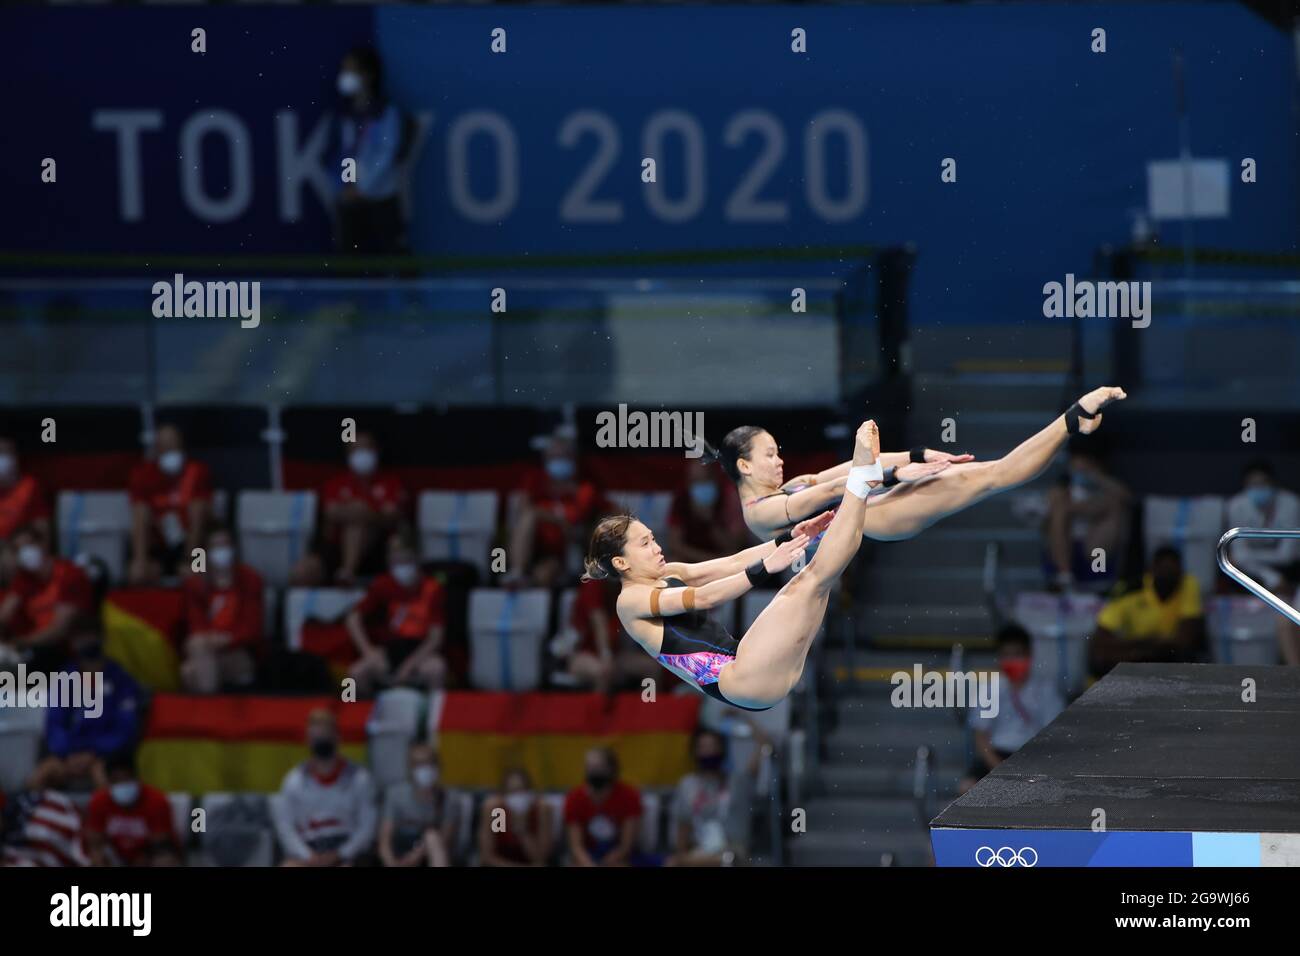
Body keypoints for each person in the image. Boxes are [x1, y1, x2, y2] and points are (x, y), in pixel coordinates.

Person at [584, 419, 895, 712]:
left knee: (821, 579)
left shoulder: (669, 573)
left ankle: (861, 487)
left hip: (758, 674)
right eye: (645, 544)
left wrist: (786, 539)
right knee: (809, 579)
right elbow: (705, 597)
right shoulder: (630, 601)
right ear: (621, 562)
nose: (657, 547)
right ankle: (860, 481)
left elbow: (729, 563)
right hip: (742, 678)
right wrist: (765, 568)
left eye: (653, 538)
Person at [725, 387, 1127, 547]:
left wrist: (918, 456)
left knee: (991, 474)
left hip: (876, 506)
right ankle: (1072, 420)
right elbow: (833, 490)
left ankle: (1072, 423)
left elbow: (847, 468)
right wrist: (896, 476)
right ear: (744, 465)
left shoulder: (788, 487)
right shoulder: (763, 514)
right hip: (880, 519)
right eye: (769, 455)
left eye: (778, 452)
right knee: (994, 476)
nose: (779, 461)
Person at [958, 624, 1066, 795]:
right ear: (999, 658)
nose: (1013, 660)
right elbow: (981, 739)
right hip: (996, 756)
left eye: (1018, 654)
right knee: (966, 789)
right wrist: (1000, 769)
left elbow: (1052, 736)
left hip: (1033, 757)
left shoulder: (1046, 690)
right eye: (1007, 655)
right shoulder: (990, 688)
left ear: (1029, 655)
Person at [293, 430, 409, 586]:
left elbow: (391, 516)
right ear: (348, 454)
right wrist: (359, 511)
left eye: (366, 448)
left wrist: (366, 514)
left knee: (357, 526)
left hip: (379, 551)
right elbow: (330, 512)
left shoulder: (391, 483)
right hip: (335, 549)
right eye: (356, 449)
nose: (362, 454)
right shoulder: (336, 483)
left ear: (377, 451)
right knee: (301, 572)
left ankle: (347, 573)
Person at [38, 626, 144, 792]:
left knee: (103, 777)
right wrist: (69, 754)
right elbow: (54, 724)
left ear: (102, 638)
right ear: (72, 642)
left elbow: (125, 728)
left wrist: (93, 752)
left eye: (90, 636)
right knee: (39, 778)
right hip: (68, 755)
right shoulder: (65, 678)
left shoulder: (122, 680)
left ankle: (105, 816)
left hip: (104, 756)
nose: (86, 642)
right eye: (80, 637)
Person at [345, 534, 448, 696]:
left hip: (419, 650)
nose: (401, 567)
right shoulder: (382, 584)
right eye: (396, 562)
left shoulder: (432, 588)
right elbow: (352, 619)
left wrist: (410, 665)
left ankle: (435, 719)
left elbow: (435, 638)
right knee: (354, 674)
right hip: (388, 650)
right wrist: (368, 652)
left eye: (406, 561)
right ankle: (357, 715)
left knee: (437, 670)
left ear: (417, 560)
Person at [333, 45, 409, 259]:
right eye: (344, 70)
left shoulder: (386, 112)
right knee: (348, 257)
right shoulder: (347, 114)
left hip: (382, 195)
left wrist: (364, 187)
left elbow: (388, 154)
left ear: (368, 75)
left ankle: (409, 294)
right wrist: (348, 185)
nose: (346, 77)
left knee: (396, 255)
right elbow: (347, 153)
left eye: (352, 71)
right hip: (351, 195)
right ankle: (350, 295)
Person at [275, 709, 377, 867]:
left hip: (347, 853)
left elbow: (367, 826)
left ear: (337, 738)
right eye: (316, 738)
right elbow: (285, 828)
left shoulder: (360, 778)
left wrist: (341, 854)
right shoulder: (293, 781)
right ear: (308, 741)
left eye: (326, 736)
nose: (321, 741)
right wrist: (309, 856)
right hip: (308, 852)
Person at [1089, 546, 1206, 677]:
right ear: (1152, 570)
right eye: (1163, 569)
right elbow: (1101, 641)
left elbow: (1185, 640)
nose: (1168, 575)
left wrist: (1146, 647)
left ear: (1180, 572)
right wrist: (1146, 646)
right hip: (1135, 658)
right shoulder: (1129, 590)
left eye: (1172, 571)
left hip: (1166, 659)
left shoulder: (1188, 584)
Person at [508, 430, 603, 587]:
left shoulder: (585, 490)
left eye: (563, 457)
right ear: (546, 460)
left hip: (567, 550)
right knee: (527, 518)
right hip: (535, 546)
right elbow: (524, 510)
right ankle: (517, 572)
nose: (558, 461)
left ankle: (530, 583)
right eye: (554, 457)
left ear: (573, 459)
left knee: (544, 575)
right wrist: (553, 518)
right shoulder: (536, 481)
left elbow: (573, 523)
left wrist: (543, 514)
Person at [666, 725, 764, 867]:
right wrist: (681, 856)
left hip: (733, 851)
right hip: (699, 849)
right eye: (702, 747)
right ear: (695, 751)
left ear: (722, 749)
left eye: (712, 746)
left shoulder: (738, 782)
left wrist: (742, 714)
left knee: (725, 860)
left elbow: (764, 741)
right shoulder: (687, 784)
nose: (708, 751)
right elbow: (683, 826)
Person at [180, 526, 263, 693]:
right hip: (207, 649)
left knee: (191, 669)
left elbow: (252, 628)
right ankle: (210, 708)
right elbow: (196, 624)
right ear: (206, 552)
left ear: (234, 549)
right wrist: (211, 640)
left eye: (225, 545)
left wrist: (227, 640)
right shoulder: (196, 583)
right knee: (189, 668)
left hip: (239, 653)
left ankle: (206, 711)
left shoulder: (249, 578)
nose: (222, 551)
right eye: (216, 546)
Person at [127, 423, 213, 585]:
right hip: (158, 546)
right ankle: (142, 562)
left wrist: (190, 560)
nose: (170, 451)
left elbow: (201, 518)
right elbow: (139, 516)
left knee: (197, 574)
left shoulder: (197, 471)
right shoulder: (143, 474)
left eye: (173, 446)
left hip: (195, 548)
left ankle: (193, 564)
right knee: (136, 573)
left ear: (182, 446)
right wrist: (141, 560)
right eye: (164, 447)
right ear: (156, 450)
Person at [0, 524, 93, 672]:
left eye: (29, 545)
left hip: (68, 649)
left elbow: (59, 629)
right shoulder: (24, 579)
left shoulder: (70, 575)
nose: (25, 552)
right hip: (37, 648)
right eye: (18, 549)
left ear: (43, 544)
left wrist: (20, 643)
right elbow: (4, 614)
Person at [1043, 447, 1131, 591]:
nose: (1081, 472)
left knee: (1116, 507)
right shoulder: (1061, 492)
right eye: (1078, 468)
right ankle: (1064, 574)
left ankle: (1099, 573)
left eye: (1086, 468)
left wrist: (1097, 478)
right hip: (1066, 552)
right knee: (1058, 509)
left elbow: (1126, 497)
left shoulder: (1108, 489)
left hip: (1097, 554)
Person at [563, 577, 662, 694]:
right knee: (604, 673)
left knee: (652, 668)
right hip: (582, 653)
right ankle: (597, 711)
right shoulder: (593, 584)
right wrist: (606, 655)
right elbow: (599, 623)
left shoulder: (624, 586)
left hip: (615, 654)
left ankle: (645, 709)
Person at [84, 750, 180, 866]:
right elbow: (95, 841)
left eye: (126, 779)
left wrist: (139, 860)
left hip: (149, 856)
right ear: (109, 782)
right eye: (117, 780)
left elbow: (161, 843)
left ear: (136, 777)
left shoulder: (156, 800)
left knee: (164, 861)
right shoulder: (98, 801)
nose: (123, 784)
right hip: (115, 857)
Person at [1224, 459, 1300, 593]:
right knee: (1232, 564)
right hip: (1251, 571)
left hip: (1289, 567)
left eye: (1263, 483)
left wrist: (1248, 556)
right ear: (1245, 485)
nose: (1258, 487)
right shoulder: (1236, 506)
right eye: (1253, 484)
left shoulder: (1291, 503)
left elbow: (1287, 555)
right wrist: (1271, 577)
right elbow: (1238, 553)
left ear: (1273, 483)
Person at [378, 743, 458, 868]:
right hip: (400, 851)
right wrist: (391, 863)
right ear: (410, 768)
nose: (424, 769)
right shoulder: (395, 795)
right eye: (418, 764)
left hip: (429, 855)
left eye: (429, 763)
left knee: (432, 837)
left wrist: (416, 856)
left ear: (438, 766)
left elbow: (446, 839)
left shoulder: (448, 798)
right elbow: (385, 839)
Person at [563, 747, 643, 867]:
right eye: (590, 767)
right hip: (588, 854)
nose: (594, 771)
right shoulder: (574, 798)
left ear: (611, 769)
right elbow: (576, 846)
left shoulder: (630, 795)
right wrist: (588, 863)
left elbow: (626, 845)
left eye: (599, 767)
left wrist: (609, 861)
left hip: (618, 856)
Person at [666, 461, 748, 563]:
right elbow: (675, 545)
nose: (701, 486)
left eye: (705, 479)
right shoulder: (681, 501)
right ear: (688, 483)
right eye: (696, 481)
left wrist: (710, 521)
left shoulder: (729, 498)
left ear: (715, 478)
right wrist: (706, 563)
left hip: (724, 560)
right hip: (696, 561)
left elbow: (736, 545)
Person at [478, 767, 554, 867]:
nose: (517, 798)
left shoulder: (539, 810)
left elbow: (539, 858)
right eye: (512, 792)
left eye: (521, 791)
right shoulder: (496, 811)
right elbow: (487, 857)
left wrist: (522, 830)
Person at [0, 437, 51, 581]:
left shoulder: (29, 487)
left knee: (31, 557)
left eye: (5, 452)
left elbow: (43, 531)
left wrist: (17, 547)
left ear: (15, 456)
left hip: (17, 549)